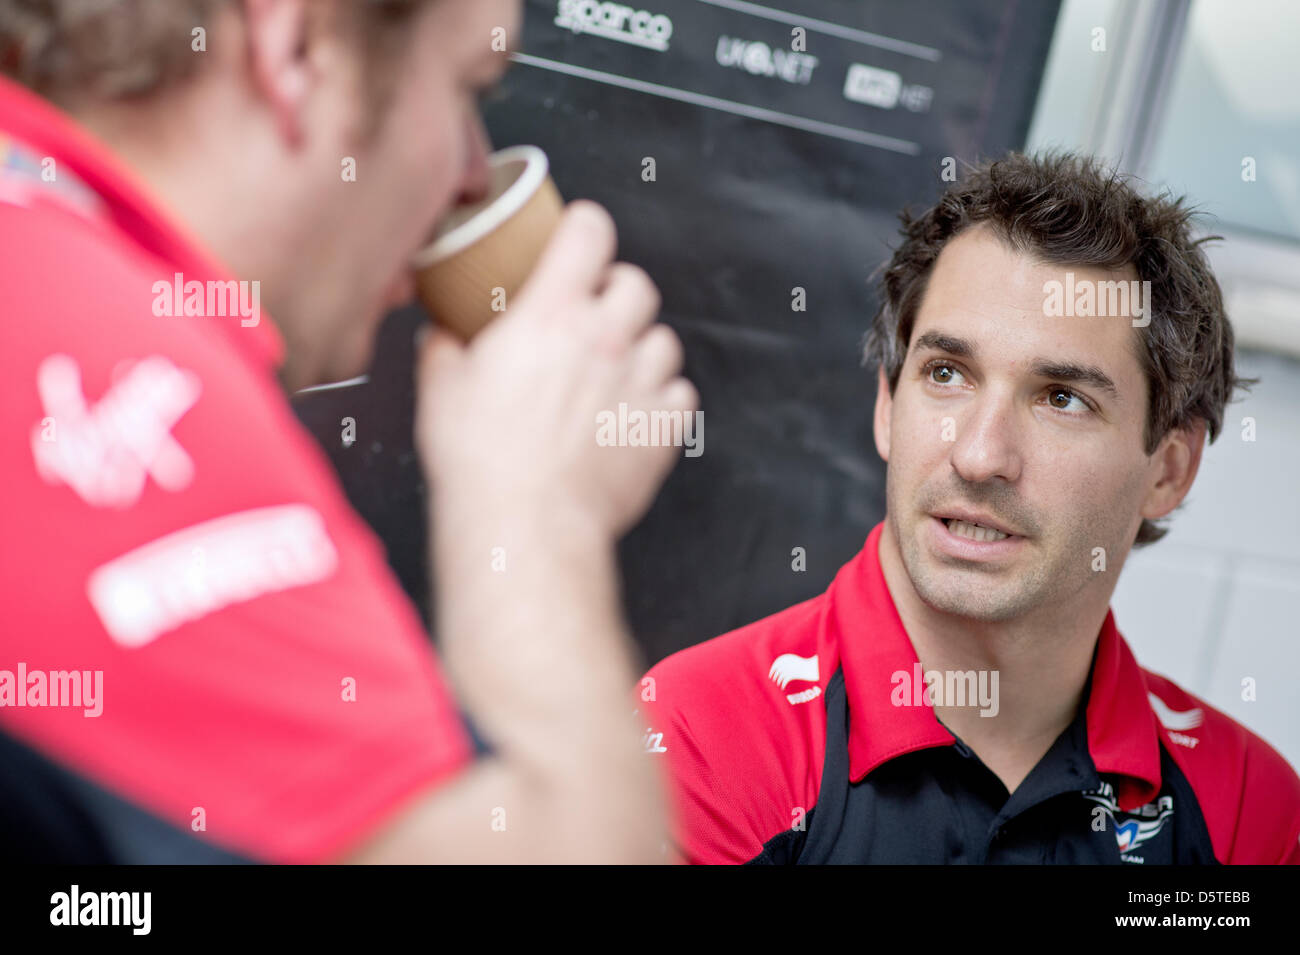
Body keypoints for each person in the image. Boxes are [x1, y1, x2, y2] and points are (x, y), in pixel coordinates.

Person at [0, 0, 695, 863]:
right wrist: (532, 512)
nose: (474, 173)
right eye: (466, 86)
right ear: (293, 48)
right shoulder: (108, 366)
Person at [638, 152, 1300, 865]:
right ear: (888, 405)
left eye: (1062, 398)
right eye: (947, 374)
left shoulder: (1247, 808)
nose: (980, 456)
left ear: (1169, 470)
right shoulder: (698, 736)